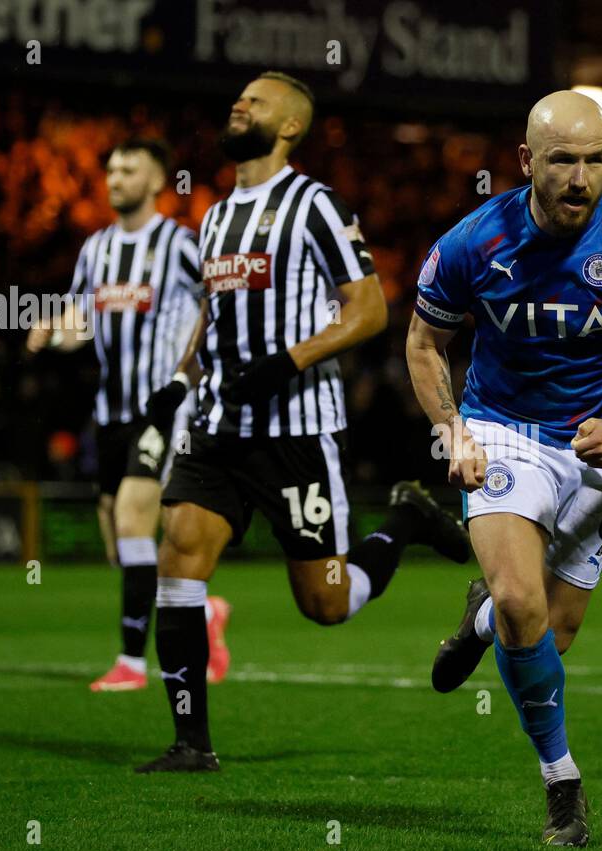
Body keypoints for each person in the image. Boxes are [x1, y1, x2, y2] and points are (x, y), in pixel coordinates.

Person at [406, 91, 602, 845]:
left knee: (552, 628)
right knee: (524, 602)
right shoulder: (474, 242)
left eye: (595, 160)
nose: (581, 179)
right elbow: (425, 344)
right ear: (526, 162)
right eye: (562, 162)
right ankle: (563, 783)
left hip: (599, 441)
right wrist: (452, 430)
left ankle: (479, 619)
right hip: (504, 432)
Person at [135, 72, 470, 774]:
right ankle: (191, 742)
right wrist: (177, 379)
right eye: (237, 99)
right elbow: (212, 314)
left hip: (295, 430)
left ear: (289, 126)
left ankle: (406, 518)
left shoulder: (315, 204)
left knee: (325, 603)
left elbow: (370, 309)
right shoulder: (216, 216)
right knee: (179, 557)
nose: (238, 105)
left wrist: (289, 361)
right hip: (219, 424)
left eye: (254, 102)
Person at [27, 137, 232, 693]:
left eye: (128, 169)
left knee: (132, 517)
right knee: (122, 544)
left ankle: (131, 663)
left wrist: (193, 369)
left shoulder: (180, 243)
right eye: (111, 169)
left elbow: (219, 302)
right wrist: (53, 333)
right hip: (110, 411)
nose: (115, 177)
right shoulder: (95, 249)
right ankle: (203, 608)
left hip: (161, 405)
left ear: (157, 180)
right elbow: (83, 320)